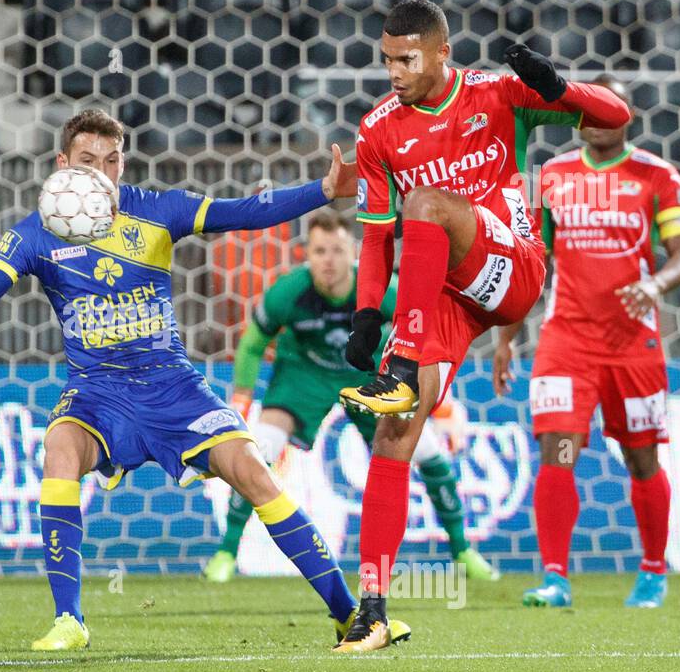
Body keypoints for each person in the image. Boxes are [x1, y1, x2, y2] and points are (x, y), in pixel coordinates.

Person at [0, 108, 409, 650]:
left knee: (253, 472)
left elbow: (247, 212)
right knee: (59, 449)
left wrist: (323, 189)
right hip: (98, 392)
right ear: (62, 165)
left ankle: (351, 615)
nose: (102, 173)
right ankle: (70, 620)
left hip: (173, 386)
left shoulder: (157, 211)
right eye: (88, 162)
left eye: (112, 161)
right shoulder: (33, 236)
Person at [333, 0, 630, 651]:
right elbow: (379, 241)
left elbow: (616, 115)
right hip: (445, 296)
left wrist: (558, 87)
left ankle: (402, 365)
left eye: (406, 59)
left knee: (429, 204)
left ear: (443, 52)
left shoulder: (498, 94)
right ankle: (375, 608)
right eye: (385, 60)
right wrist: (363, 315)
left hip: (514, 270)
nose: (393, 73)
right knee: (394, 431)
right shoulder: (379, 129)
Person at [203, 212, 497, 583]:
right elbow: (252, 343)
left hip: (365, 373)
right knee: (260, 448)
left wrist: (444, 407)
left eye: (337, 250)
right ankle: (227, 553)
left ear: (353, 252)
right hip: (303, 374)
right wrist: (242, 401)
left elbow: (428, 337)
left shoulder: (380, 288)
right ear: (305, 255)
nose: (328, 260)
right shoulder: (288, 290)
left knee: (426, 451)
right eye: (319, 251)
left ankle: (463, 550)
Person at [493, 76, 680, 609]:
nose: (594, 117)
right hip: (567, 341)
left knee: (641, 459)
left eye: (607, 107)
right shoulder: (552, 178)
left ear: (626, 114)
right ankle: (555, 578)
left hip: (634, 343)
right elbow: (530, 267)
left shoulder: (656, 175)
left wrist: (654, 284)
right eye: (582, 108)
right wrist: (505, 340)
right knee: (557, 451)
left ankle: (653, 572)